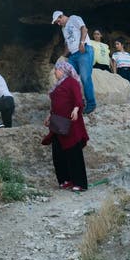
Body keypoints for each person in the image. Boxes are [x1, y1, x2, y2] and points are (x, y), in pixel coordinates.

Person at [43, 58, 89, 192]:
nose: (55, 72)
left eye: (56, 70)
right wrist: (49, 115)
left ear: (63, 70)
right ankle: (65, 180)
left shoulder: (71, 82)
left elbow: (78, 98)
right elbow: (56, 103)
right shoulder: (58, 85)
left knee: (74, 153)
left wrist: (76, 108)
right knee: (58, 153)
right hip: (57, 124)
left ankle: (80, 183)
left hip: (70, 124)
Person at [52, 10, 97, 113]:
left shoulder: (73, 18)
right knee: (67, 77)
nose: (58, 24)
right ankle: (78, 101)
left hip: (84, 51)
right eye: (57, 23)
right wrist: (63, 56)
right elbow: (67, 44)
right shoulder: (63, 29)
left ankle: (91, 104)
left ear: (61, 16)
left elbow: (84, 29)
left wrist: (82, 43)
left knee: (85, 77)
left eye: (58, 21)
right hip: (73, 55)